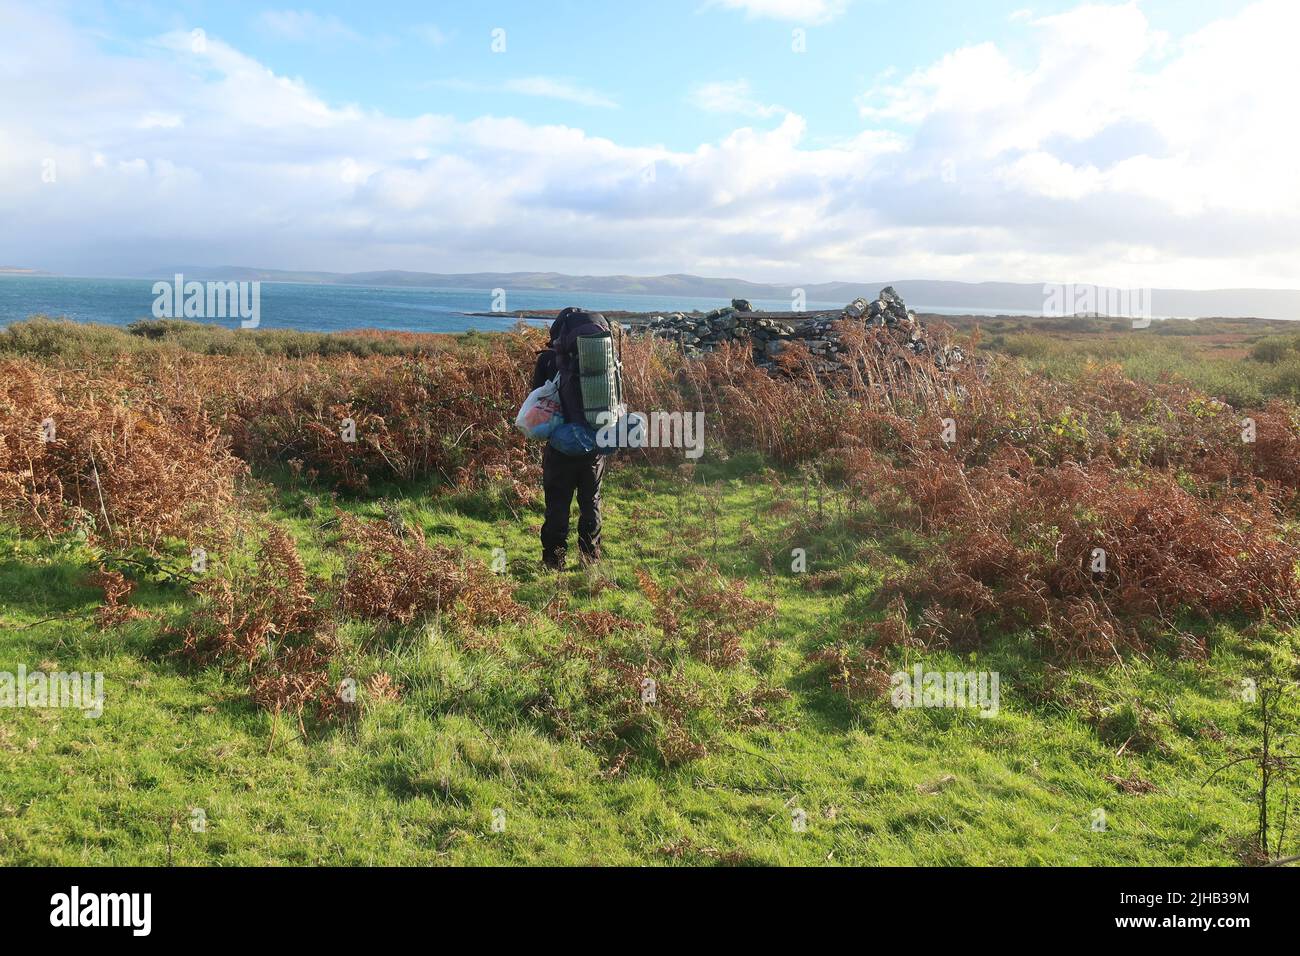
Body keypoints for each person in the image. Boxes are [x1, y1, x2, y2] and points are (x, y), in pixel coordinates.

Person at [533, 307, 609, 570]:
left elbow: (537, 405)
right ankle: (590, 560)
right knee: (591, 502)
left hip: (559, 447)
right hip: (595, 445)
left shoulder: (547, 361)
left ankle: (554, 562)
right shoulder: (604, 359)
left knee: (557, 504)